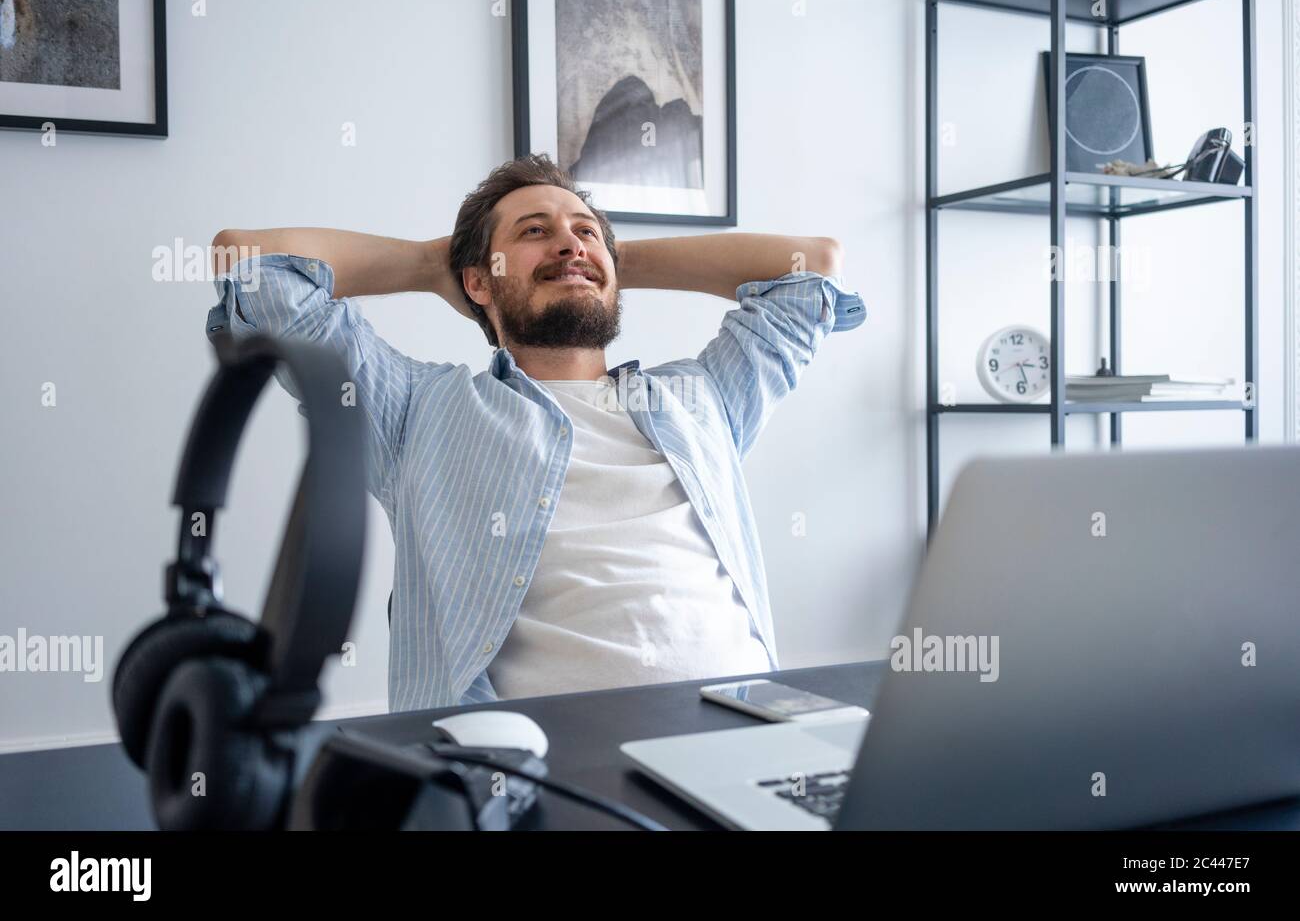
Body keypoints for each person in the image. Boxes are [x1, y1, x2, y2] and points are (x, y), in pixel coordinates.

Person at [207, 152, 865, 712]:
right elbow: (252, 262)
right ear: (475, 282)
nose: (568, 241)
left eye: (584, 232)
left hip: (738, 742)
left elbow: (811, 271)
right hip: (527, 777)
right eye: (533, 231)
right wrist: (430, 263)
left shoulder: (702, 398)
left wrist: (597, 259)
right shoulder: (415, 409)